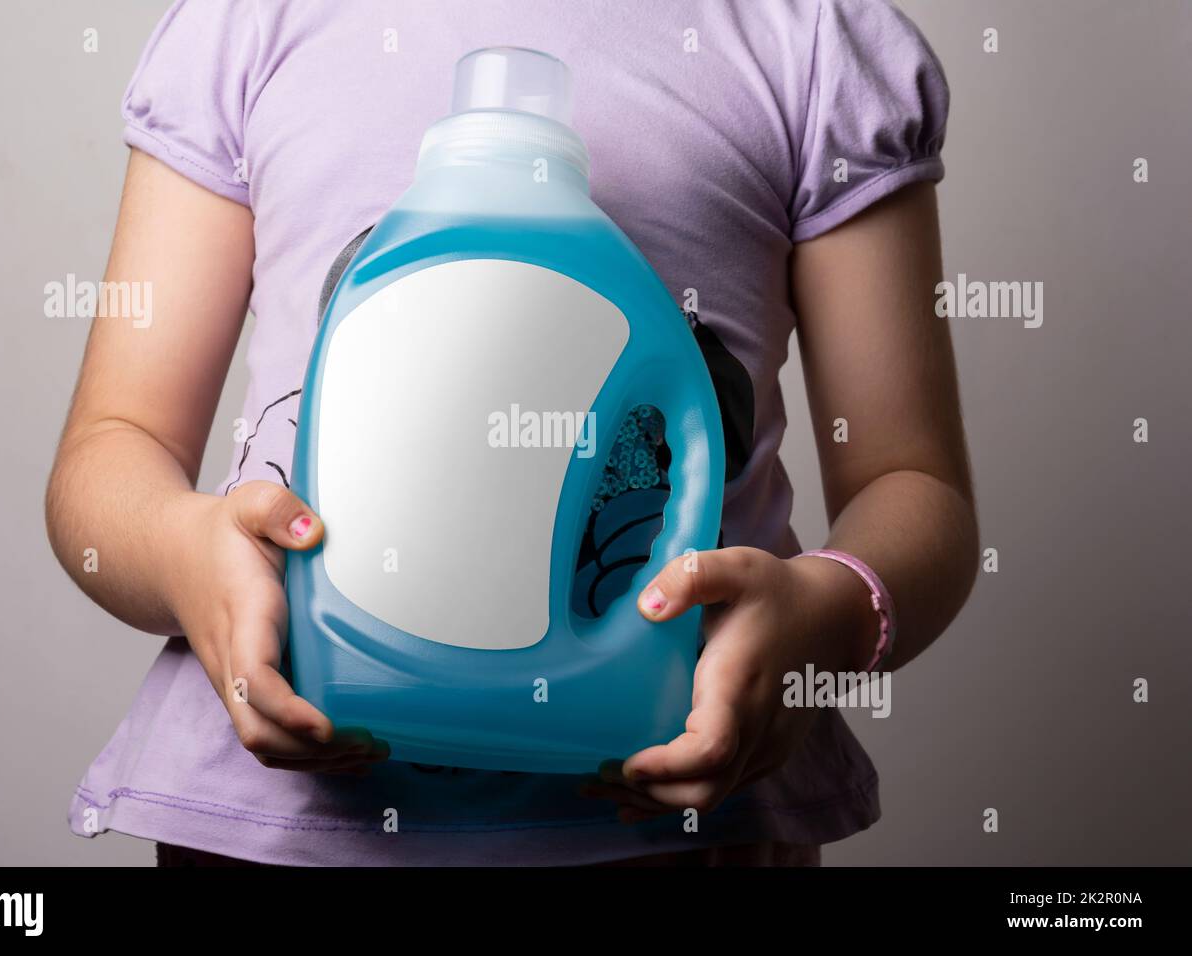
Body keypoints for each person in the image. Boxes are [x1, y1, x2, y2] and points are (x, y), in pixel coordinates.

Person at [47, 0, 977, 867]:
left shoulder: (806, 39)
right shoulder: (251, 25)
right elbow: (111, 451)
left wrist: (831, 618)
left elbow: (912, 483)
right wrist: (185, 553)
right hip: (272, 826)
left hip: (683, 828)